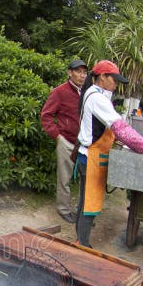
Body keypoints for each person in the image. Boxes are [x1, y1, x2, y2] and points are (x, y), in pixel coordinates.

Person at [74, 60, 143, 247]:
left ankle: (80, 240)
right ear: (103, 77)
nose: (117, 84)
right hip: (90, 157)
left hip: (89, 155)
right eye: (114, 79)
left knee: (85, 202)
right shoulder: (97, 98)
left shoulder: (93, 94)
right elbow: (121, 128)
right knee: (89, 205)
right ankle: (82, 245)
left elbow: (100, 127)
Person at [41, 59, 88, 223]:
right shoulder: (59, 91)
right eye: (78, 71)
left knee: (85, 179)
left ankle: (82, 213)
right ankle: (64, 209)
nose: (82, 75)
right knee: (64, 177)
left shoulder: (87, 92)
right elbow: (46, 115)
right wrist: (57, 135)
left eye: (84, 72)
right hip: (66, 141)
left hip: (84, 143)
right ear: (70, 72)